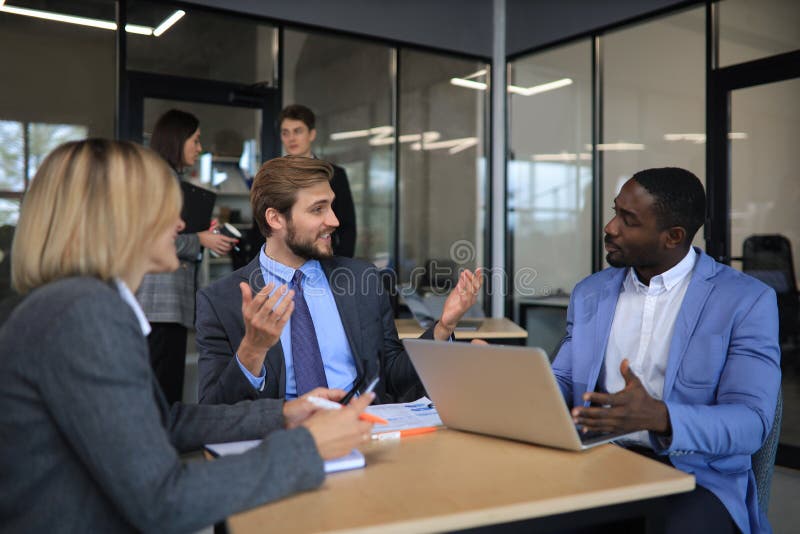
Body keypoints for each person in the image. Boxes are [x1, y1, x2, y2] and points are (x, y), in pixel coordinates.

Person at [0, 139, 375, 532]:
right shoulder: (84, 314)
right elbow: (164, 501)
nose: (181, 226)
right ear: (121, 221)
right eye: (166, 209)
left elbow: (165, 422)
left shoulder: (71, 304)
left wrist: (283, 413)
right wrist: (309, 447)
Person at [552, 168, 780, 534]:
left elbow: (751, 423)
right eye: (615, 212)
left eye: (628, 220)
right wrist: (518, 385)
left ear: (673, 236)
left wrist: (660, 417)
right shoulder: (590, 292)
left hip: (695, 477)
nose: (610, 228)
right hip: (597, 459)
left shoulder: (745, 301)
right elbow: (563, 378)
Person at [196, 156, 482, 405]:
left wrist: (444, 327)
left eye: (331, 206)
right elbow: (214, 410)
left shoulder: (362, 279)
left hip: (366, 433)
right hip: (285, 442)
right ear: (275, 218)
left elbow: (393, 377)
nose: (334, 220)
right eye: (317, 209)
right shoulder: (221, 301)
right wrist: (251, 351)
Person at [137, 109, 238, 404]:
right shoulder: (161, 179)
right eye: (195, 140)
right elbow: (149, 238)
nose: (199, 148)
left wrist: (200, 231)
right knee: (163, 391)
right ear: (177, 140)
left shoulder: (162, 177)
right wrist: (200, 239)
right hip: (160, 303)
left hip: (164, 303)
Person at [279, 104, 357, 257]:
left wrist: (339, 267)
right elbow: (261, 228)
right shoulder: (273, 176)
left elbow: (347, 228)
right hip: (281, 259)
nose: (291, 138)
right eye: (285, 133)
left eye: (298, 131)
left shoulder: (335, 174)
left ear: (312, 134)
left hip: (323, 259)